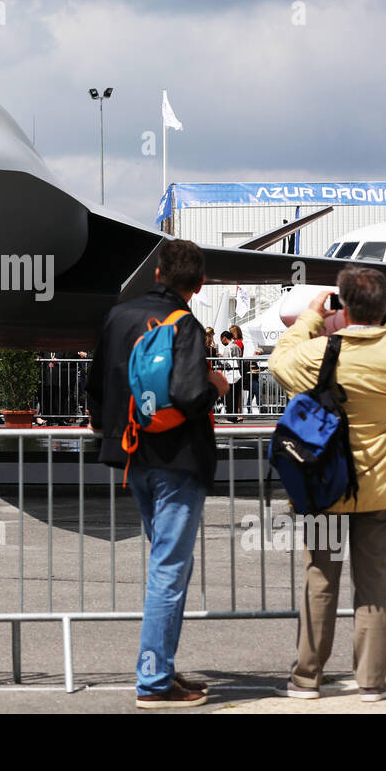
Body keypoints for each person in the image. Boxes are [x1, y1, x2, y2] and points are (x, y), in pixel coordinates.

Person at [268, 265, 386, 702]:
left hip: (324, 487)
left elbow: (278, 360)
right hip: (382, 487)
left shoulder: (319, 352)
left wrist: (311, 318)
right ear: (382, 306)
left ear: (342, 304)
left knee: (320, 579)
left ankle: (307, 677)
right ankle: (372, 680)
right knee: (373, 583)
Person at [86, 239, 229, 709]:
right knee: (169, 570)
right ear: (199, 284)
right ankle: (153, 681)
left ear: (157, 273)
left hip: (132, 457)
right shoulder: (184, 324)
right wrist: (217, 387)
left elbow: (95, 386)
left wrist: (110, 436)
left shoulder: (118, 316)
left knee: (168, 567)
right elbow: (189, 395)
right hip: (179, 462)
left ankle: (162, 667)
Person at [219, 330, 243, 422]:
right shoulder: (236, 346)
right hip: (237, 373)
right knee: (235, 396)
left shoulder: (228, 348)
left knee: (229, 396)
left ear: (224, 338)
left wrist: (220, 358)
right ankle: (235, 416)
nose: (222, 341)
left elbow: (225, 362)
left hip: (230, 375)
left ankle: (230, 417)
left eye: (222, 339)